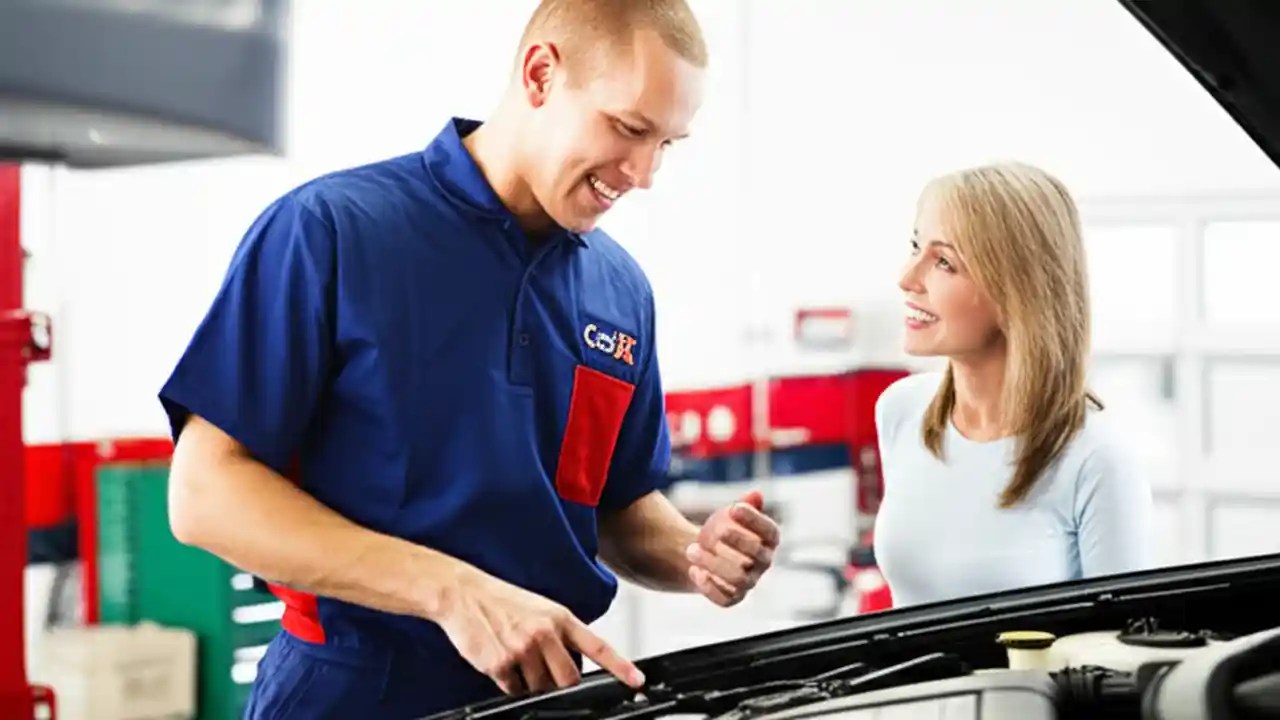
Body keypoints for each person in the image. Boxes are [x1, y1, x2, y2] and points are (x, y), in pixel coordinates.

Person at [157, 1, 782, 717]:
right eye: (629, 129)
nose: (644, 174)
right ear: (541, 74)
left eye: (669, 143)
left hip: (548, 696)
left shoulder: (620, 291)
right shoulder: (332, 231)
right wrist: (455, 592)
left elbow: (612, 505)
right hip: (354, 690)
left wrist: (694, 551)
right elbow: (204, 496)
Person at [871, 162, 1154, 609]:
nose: (906, 278)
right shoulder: (901, 411)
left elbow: (1123, 648)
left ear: (1016, 293)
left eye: (944, 262)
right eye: (915, 246)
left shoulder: (1097, 460)